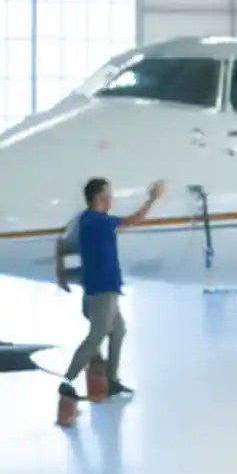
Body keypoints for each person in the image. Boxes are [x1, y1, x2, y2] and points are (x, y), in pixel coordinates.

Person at [54, 176, 164, 416]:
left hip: (106, 288)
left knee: (118, 329)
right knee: (98, 334)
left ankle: (112, 382)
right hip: (101, 289)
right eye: (108, 193)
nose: (111, 197)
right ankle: (68, 381)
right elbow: (134, 220)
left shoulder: (87, 220)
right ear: (98, 197)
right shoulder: (96, 221)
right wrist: (152, 199)